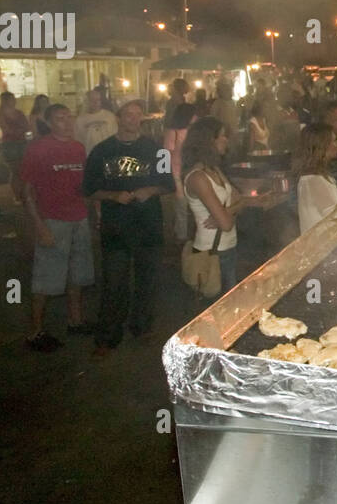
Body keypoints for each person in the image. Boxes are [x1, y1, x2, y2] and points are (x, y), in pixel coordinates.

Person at [82, 99, 173, 358]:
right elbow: (89, 190)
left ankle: (142, 327)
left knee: (147, 281)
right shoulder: (101, 151)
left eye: (137, 115)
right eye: (128, 115)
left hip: (149, 227)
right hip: (116, 229)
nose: (133, 119)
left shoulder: (157, 150)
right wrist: (113, 196)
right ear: (118, 119)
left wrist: (150, 189)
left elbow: (168, 185)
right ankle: (107, 337)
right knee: (113, 284)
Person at [21, 104, 93, 351]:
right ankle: (36, 331)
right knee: (45, 280)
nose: (67, 122)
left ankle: (76, 320)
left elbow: (83, 185)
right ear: (50, 123)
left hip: (79, 218)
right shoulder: (38, 149)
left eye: (69, 117)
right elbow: (27, 191)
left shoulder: (77, 147)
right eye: (60, 119)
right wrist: (39, 226)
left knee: (78, 275)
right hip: (53, 220)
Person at [182, 117, 250, 293]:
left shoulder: (214, 170)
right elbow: (227, 224)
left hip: (228, 246)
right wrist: (227, 214)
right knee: (218, 309)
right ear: (208, 141)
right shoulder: (198, 177)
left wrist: (225, 211)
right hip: (212, 252)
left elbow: (240, 200)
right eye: (222, 136)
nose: (225, 140)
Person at [294, 123, 337, 233]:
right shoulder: (314, 180)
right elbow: (336, 218)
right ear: (322, 146)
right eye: (333, 141)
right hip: (324, 246)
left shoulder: (315, 177)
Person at [163, 103, 196, 242]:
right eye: (194, 114)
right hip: (176, 172)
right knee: (181, 205)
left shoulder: (194, 132)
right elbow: (165, 153)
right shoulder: (173, 132)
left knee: (190, 205)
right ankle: (181, 237)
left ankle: (184, 233)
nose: (196, 117)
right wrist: (164, 174)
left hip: (190, 172)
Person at [0, 92, 31, 205]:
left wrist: (18, 130)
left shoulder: (19, 113)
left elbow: (27, 126)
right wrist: (20, 130)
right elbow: (7, 130)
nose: (14, 101)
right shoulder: (1, 114)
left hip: (21, 142)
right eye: (11, 99)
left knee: (24, 169)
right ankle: (17, 195)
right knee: (15, 171)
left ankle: (25, 193)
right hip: (10, 144)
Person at [74, 89, 117, 158]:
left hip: (109, 154)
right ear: (87, 101)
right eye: (92, 100)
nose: (95, 102)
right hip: (89, 155)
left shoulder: (110, 116)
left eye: (98, 100)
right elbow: (78, 140)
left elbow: (115, 136)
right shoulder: (80, 120)